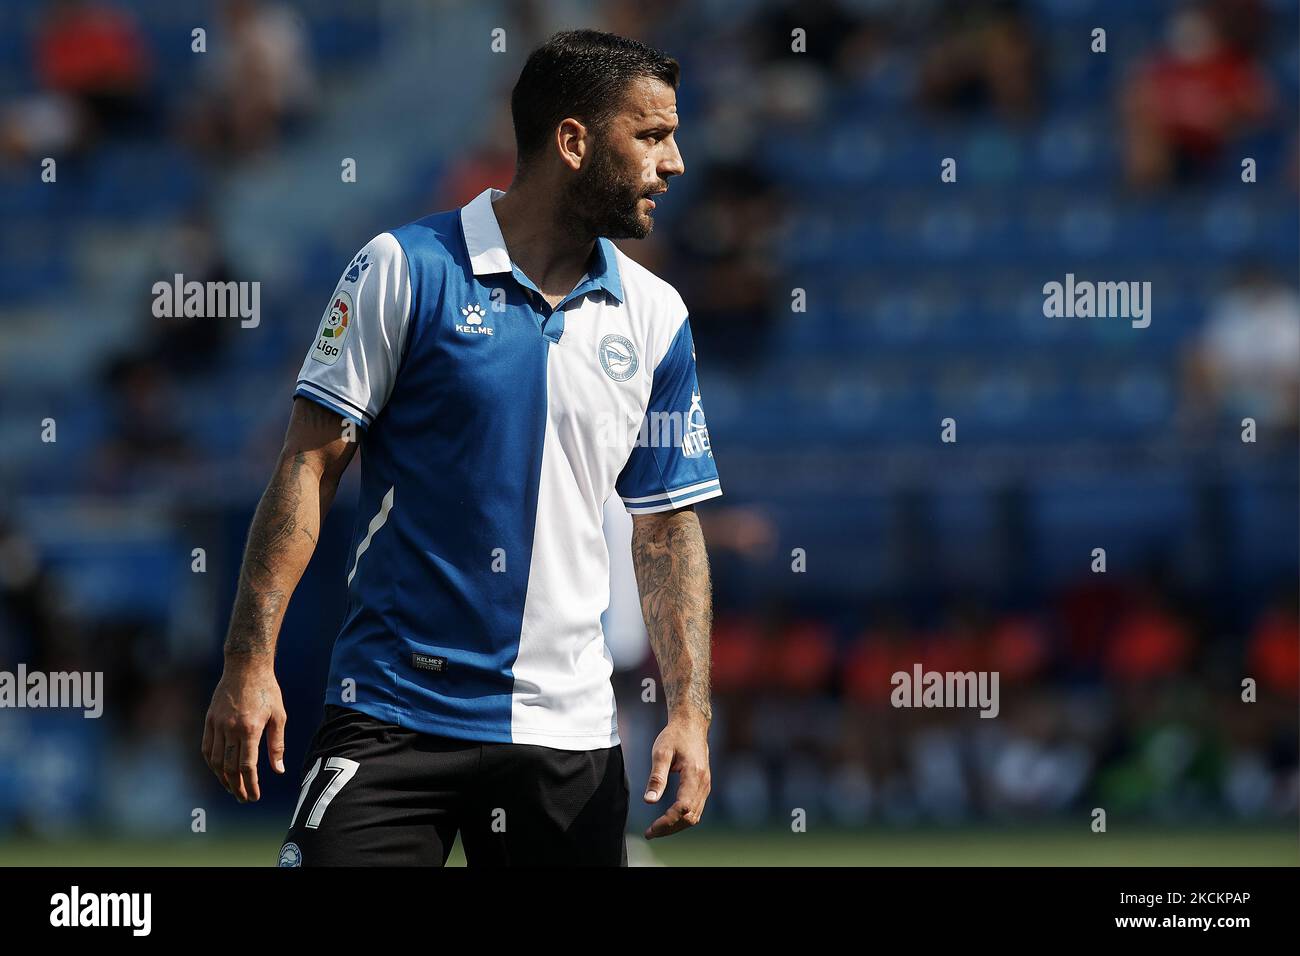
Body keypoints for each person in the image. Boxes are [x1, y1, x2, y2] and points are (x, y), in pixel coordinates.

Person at [201, 29, 721, 866]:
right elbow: (308, 467)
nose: (676, 162)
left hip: (568, 737)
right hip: (393, 712)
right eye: (653, 135)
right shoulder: (403, 269)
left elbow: (666, 529)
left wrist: (690, 714)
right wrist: (248, 661)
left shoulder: (658, 318)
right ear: (574, 143)